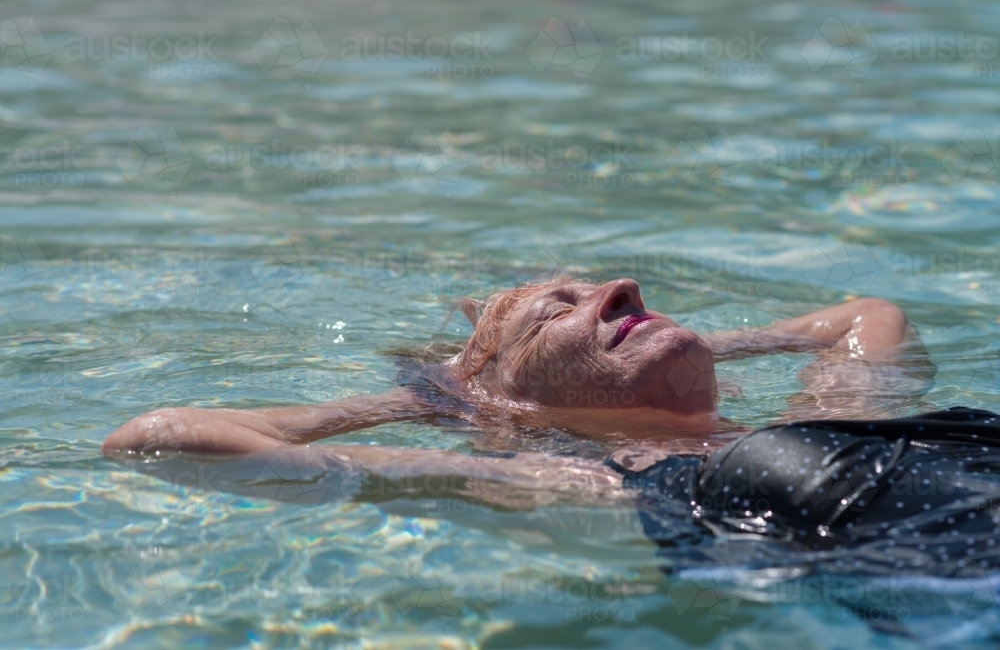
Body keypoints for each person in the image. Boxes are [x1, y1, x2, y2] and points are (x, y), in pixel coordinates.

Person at [102, 277, 1000, 576]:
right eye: (552, 309)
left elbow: (864, 317)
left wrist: (683, 350)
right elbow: (160, 431)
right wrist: (454, 398)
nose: (623, 288)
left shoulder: (830, 419)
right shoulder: (581, 484)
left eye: (615, 290)